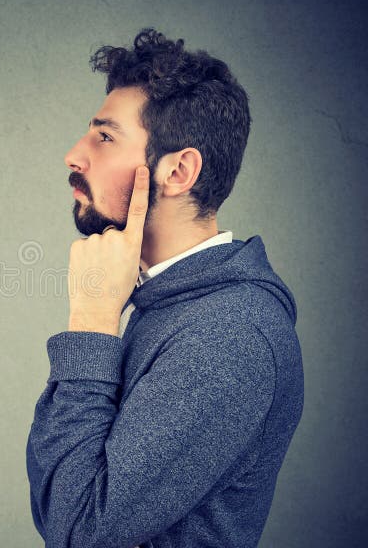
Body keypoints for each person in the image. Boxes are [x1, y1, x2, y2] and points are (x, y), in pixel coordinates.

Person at [25, 28, 304, 548]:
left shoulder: (227, 336)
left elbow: (77, 530)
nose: (73, 155)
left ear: (178, 171)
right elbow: (57, 493)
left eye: (105, 137)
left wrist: (91, 323)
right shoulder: (172, 305)